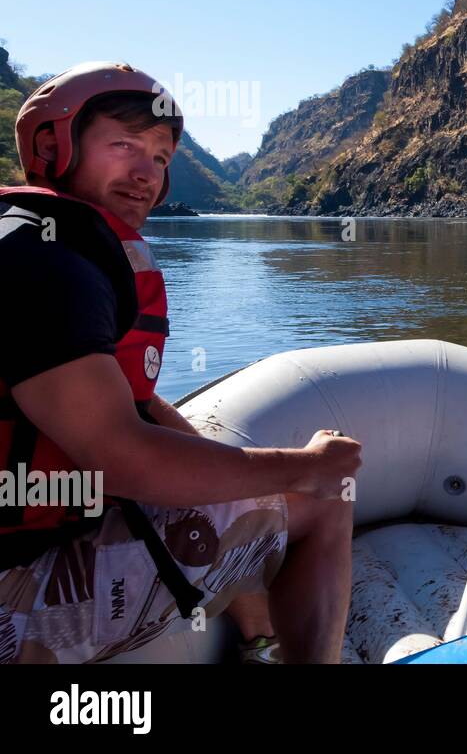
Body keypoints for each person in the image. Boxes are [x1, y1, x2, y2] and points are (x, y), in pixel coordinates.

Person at [0, 61, 361, 663]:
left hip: (32, 543)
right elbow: (121, 459)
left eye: (162, 158)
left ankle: (257, 630)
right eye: (123, 145)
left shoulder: (37, 241)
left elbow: (136, 404)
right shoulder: (49, 269)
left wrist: (239, 485)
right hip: (15, 595)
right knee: (328, 498)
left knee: (224, 478)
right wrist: (305, 470)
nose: (146, 173)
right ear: (51, 145)